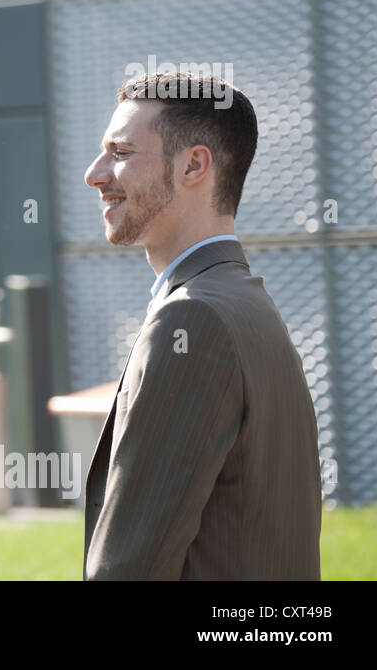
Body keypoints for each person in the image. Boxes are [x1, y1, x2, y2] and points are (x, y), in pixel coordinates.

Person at [81, 72, 321, 579]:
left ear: (194, 164)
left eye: (121, 152)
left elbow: (132, 565)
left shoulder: (192, 318)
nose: (95, 173)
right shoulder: (247, 305)